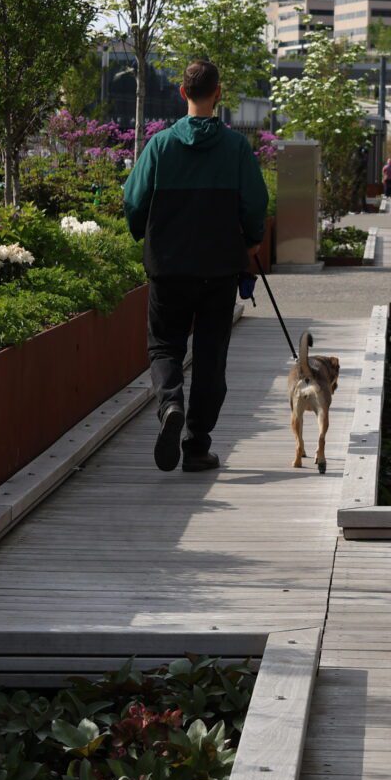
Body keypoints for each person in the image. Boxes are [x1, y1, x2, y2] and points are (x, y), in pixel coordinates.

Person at [122, 59, 270, 473]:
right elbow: (255, 203)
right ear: (218, 93)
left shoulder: (160, 145)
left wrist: (143, 232)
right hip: (218, 268)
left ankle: (170, 403)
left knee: (165, 345)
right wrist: (252, 237)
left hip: (168, 267)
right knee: (210, 356)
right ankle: (196, 444)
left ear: (183, 93)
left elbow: (133, 201)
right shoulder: (236, 148)